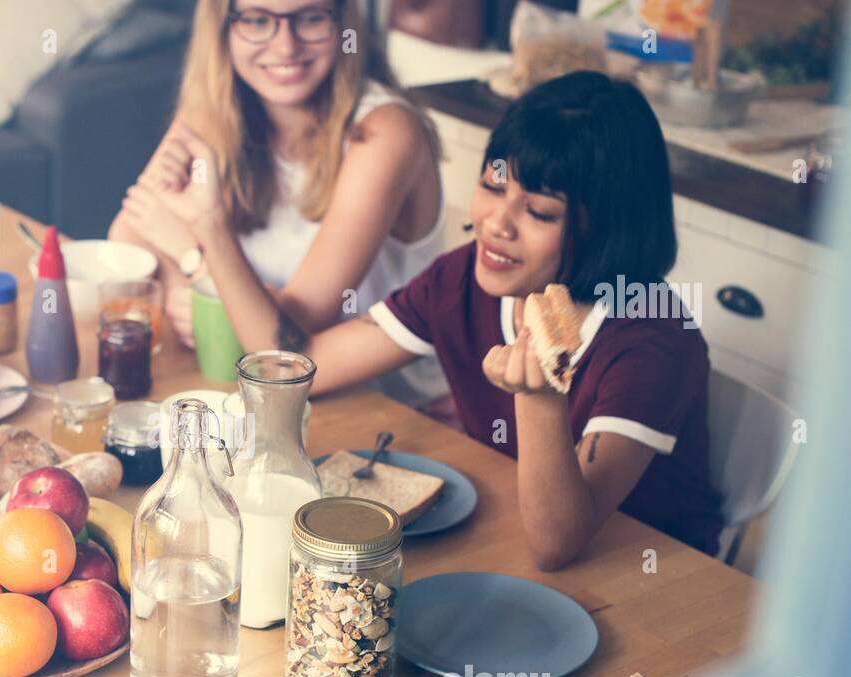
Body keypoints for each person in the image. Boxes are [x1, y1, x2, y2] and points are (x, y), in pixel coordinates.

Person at [160, 70, 722, 568]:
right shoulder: (462, 280)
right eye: (492, 187)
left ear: (608, 228)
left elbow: (557, 543)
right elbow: (304, 368)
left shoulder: (650, 339)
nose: (496, 224)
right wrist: (209, 226)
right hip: (505, 536)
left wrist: (540, 397)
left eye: (539, 212)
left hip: (656, 580)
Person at [109, 0, 449, 407]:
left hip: (384, 409)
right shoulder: (213, 110)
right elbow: (129, 240)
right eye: (257, 19)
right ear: (224, 29)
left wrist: (191, 260)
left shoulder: (386, 133)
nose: (285, 46)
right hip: (259, 390)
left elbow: (284, 335)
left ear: (342, 22)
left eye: (310, 17)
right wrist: (203, 297)